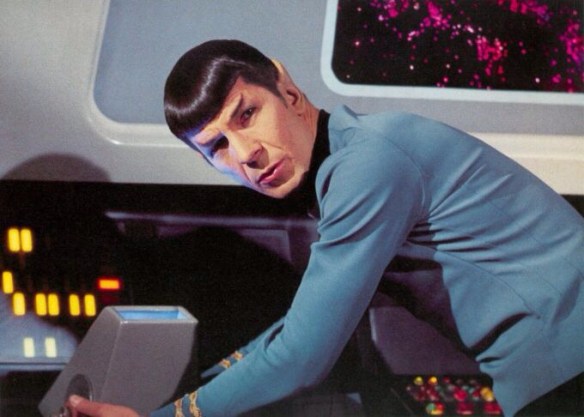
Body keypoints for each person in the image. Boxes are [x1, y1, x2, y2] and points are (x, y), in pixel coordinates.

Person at [66, 39, 583, 417]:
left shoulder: (369, 166)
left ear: (287, 89)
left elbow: (302, 356)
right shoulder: (348, 164)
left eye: (247, 114)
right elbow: (299, 327)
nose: (246, 154)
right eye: (217, 147)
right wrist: (189, 396)